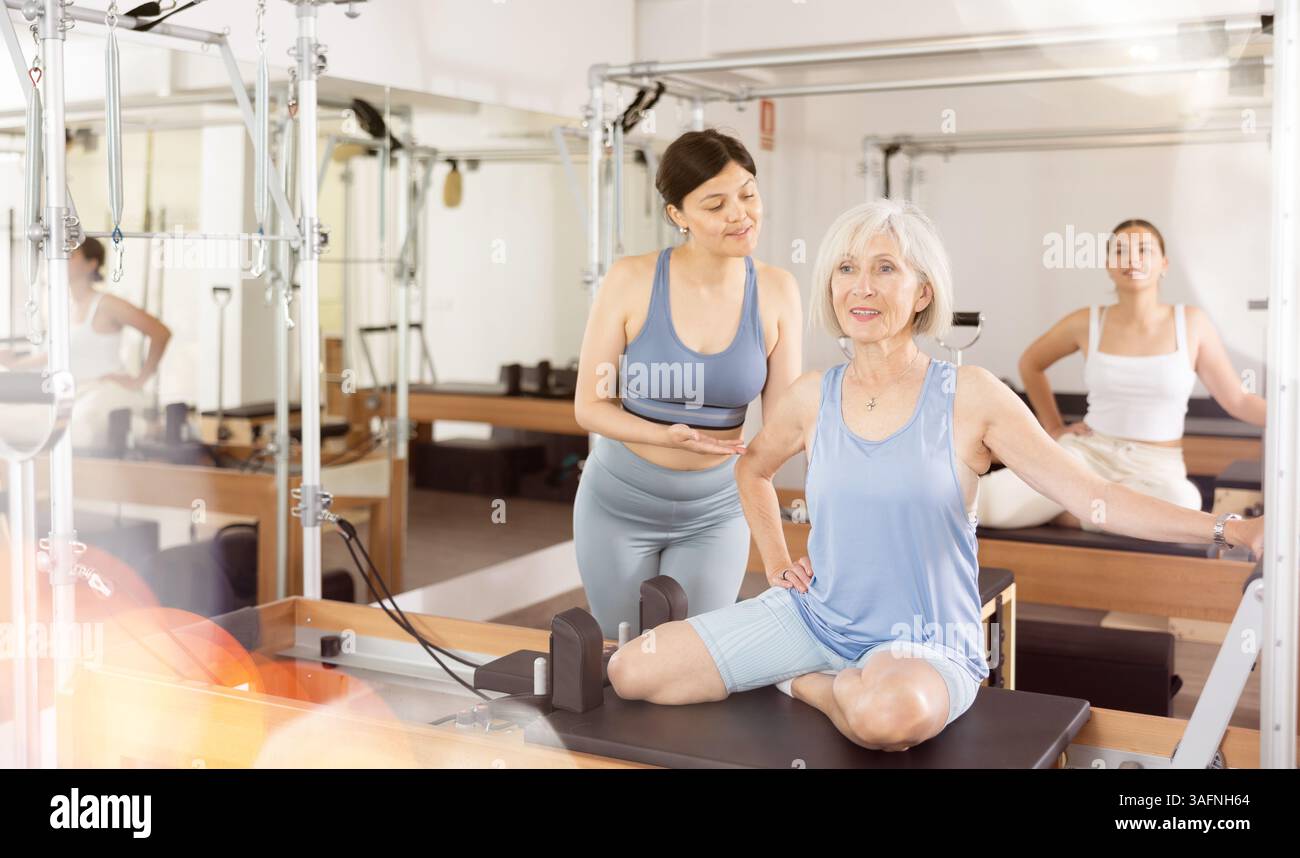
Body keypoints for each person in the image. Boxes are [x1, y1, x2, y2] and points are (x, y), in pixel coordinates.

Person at [605, 200, 1263, 752]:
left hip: (924, 643)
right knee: (635, 671)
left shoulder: (971, 396)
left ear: (922, 291)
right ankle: (810, 667)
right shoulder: (811, 396)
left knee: (886, 720)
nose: (861, 286)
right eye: (846, 268)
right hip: (814, 617)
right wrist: (778, 560)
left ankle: (803, 681)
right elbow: (752, 469)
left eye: (884, 268)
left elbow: (1093, 497)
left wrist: (1228, 527)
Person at [572, 129, 803, 638]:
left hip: (716, 509)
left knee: (697, 656)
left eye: (748, 194)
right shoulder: (630, 279)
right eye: (716, 204)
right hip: (619, 503)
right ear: (678, 215)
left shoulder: (777, 289)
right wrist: (662, 434)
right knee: (624, 654)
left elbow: (785, 424)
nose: (740, 214)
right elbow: (589, 406)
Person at [978, 219, 1266, 529]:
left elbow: (1238, 399)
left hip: (1154, 468)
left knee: (1184, 501)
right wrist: (1055, 428)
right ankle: (1099, 513)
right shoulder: (1087, 321)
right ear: (1108, 264)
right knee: (989, 505)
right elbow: (1030, 363)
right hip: (1085, 457)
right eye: (1121, 251)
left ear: (1163, 264)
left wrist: (1289, 415)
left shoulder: (1192, 323)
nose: (1132, 260)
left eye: (1144, 250)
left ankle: (1074, 513)